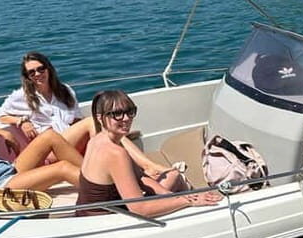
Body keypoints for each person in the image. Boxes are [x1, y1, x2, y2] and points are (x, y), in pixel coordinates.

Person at [77, 89, 221, 217]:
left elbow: (140, 177)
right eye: (117, 114)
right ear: (100, 118)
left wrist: (177, 196)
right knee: (182, 195)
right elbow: (140, 209)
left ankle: (189, 194)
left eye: (130, 111)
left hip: (88, 211)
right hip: (105, 218)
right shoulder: (115, 153)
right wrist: (186, 201)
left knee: (174, 175)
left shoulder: (98, 140)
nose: (126, 118)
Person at [0, 52, 83, 141]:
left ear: (48, 68)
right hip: (50, 146)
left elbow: (77, 119)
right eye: (31, 72)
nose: (37, 74)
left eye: (41, 69)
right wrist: (22, 121)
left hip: (71, 139)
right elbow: (0, 115)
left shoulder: (65, 90)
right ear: (27, 76)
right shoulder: (21, 96)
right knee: (90, 123)